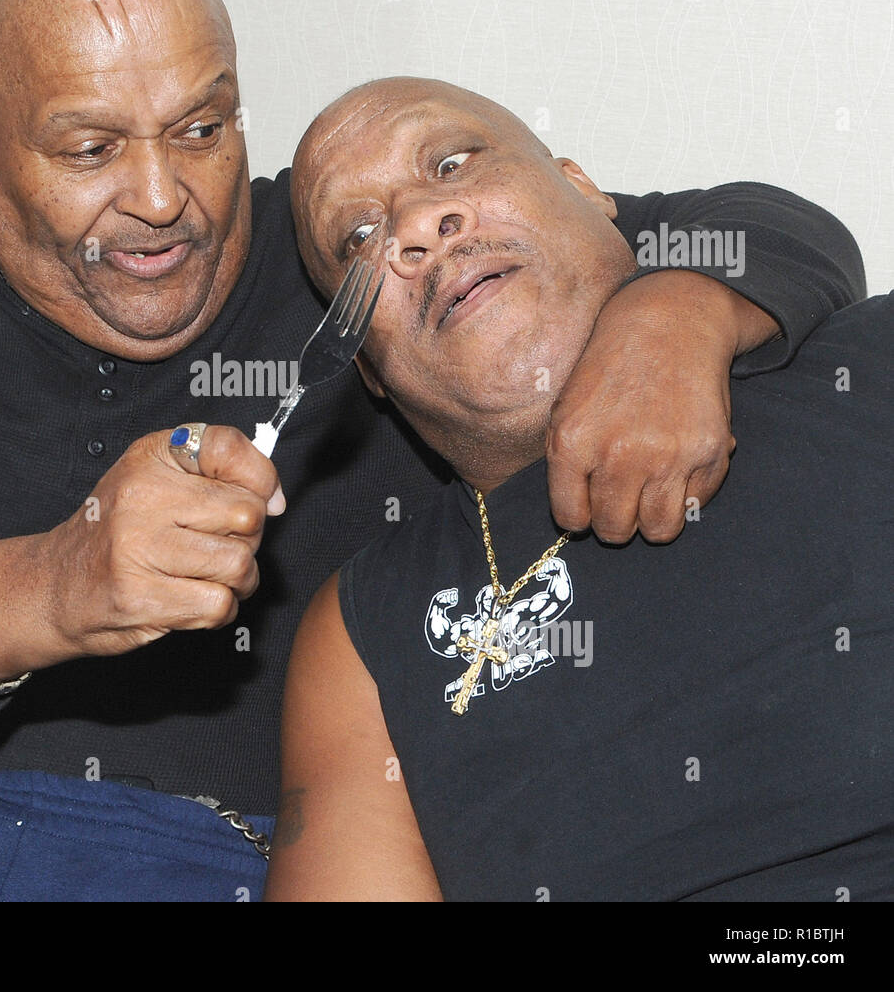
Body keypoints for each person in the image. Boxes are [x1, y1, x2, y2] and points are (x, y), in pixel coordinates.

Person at [0, 0, 866, 901]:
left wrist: (673, 313)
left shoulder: (348, 267)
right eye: (91, 148)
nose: (163, 200)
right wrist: (35, 591)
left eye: (202, 127)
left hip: (210, 869)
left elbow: (675, 234)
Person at [264, 77, 891, 901]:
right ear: (370, 375)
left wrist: (671, 314)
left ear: (590, 190)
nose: (418, 225)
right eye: (360, 236)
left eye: (451, 163)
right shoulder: (363, 634)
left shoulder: (867, 366)